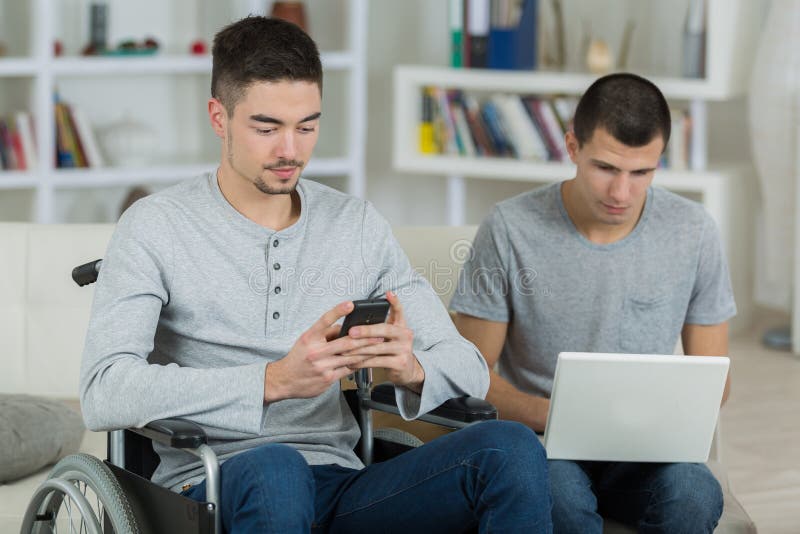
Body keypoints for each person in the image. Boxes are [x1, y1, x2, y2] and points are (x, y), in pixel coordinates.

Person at [79, 16, 552, 534]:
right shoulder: (155, 225)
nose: (291, 150)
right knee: (276, 469)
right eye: (267, 128)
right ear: (219, 117)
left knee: (510, 448)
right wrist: (270, 382)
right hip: (213, 488)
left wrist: (411, 368)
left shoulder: (357, 225)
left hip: (341, 484)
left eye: (306, 126)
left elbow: (468, 366)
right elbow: (105, 389)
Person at [451, 72, 735, 534]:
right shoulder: (509, 227)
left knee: (694, 495)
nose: (621, 193)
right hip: (547, 444)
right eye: (606, 168)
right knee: (555, 497)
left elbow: (715, 377)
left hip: (646, 452)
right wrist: (557, 414)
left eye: (641, 172)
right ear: (571, 146)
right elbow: (468, 372)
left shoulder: (694, 230)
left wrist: (667, 414)